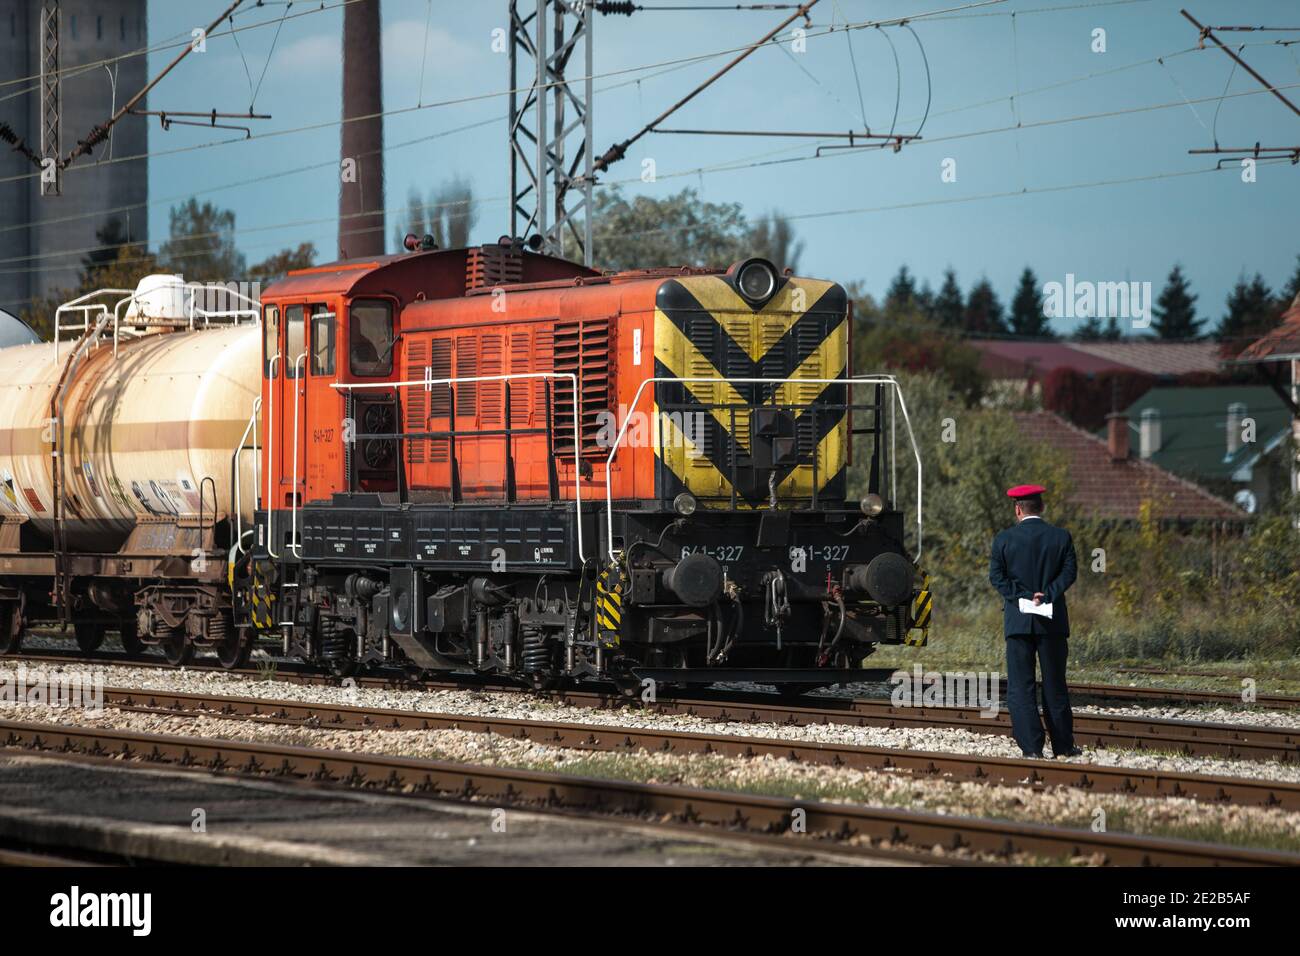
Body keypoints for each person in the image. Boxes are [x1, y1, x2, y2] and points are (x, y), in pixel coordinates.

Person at [988, 484, 1082, 759]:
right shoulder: (1061, 537)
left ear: (1017, 509)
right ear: (1041, 508)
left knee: (1021, 686)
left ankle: (1031, 748)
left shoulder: (1003, 540)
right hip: (1051, 623)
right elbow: (1069, 573)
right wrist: (1047, 595)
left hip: (1018, 623)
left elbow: (997, 577)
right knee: (1055, 684)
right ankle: (1063, 746)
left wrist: (1023, 597)